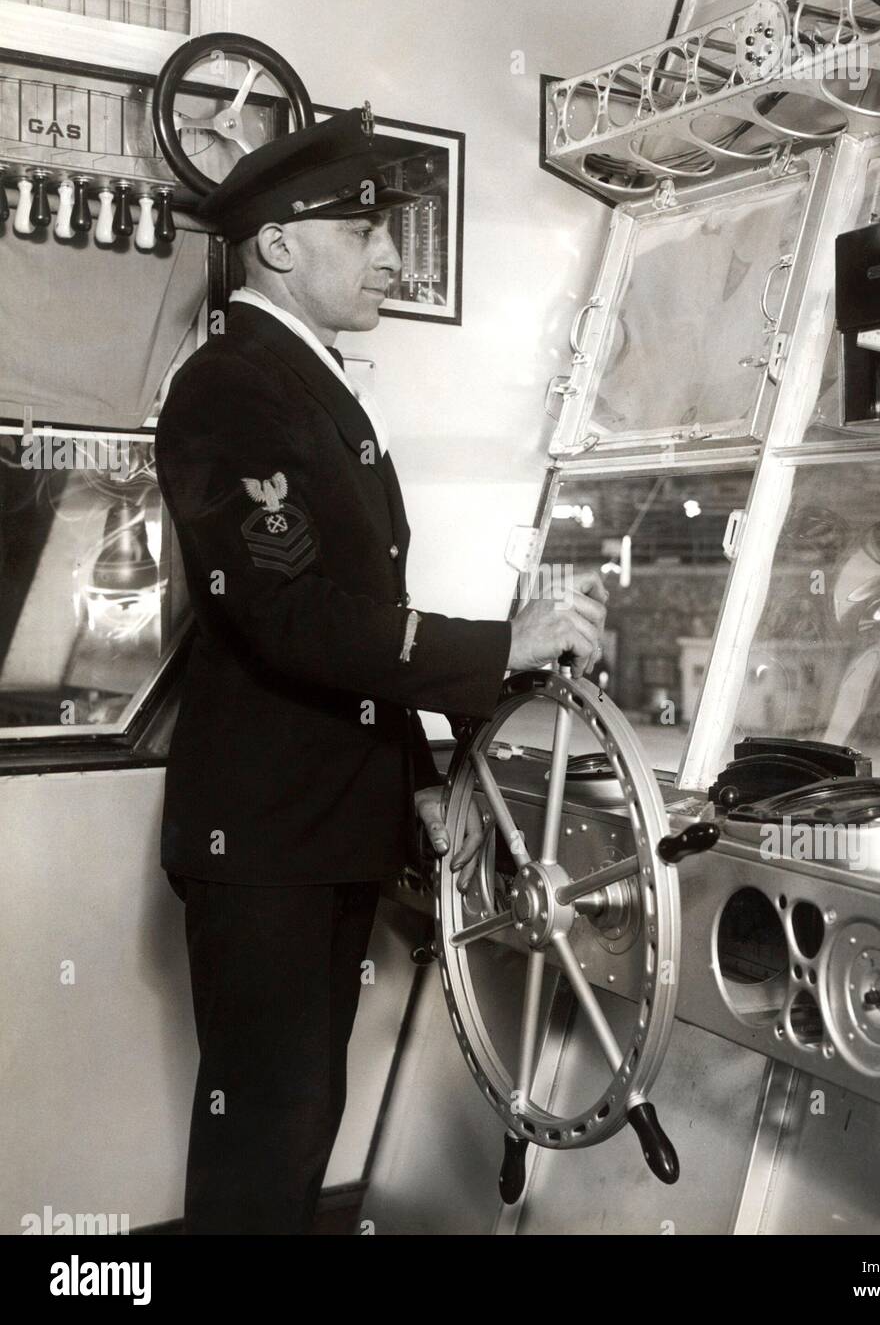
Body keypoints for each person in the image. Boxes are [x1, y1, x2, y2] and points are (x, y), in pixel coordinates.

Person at [154, 108, 607, 1233]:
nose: (394, 258)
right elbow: (293, 617)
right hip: (265, 839)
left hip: (317, 821)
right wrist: (504, 646)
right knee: (268, 1130)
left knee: (300, 1116)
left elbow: (363, 625)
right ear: (279, 244)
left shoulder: (310, 383)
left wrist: (413, 775)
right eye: (365, 232)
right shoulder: (229, 386)